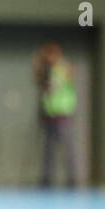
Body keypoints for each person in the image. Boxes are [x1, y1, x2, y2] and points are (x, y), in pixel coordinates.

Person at [32, 42, 78, 187]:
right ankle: (47, 179)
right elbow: (37, 80)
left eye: (50, 55)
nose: (48, 58)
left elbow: (58, 84)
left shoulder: (62, 69)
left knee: (66, 147)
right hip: (49, 114)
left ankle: (71, 179)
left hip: (62, 114)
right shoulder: (47, 70)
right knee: (48, 149)